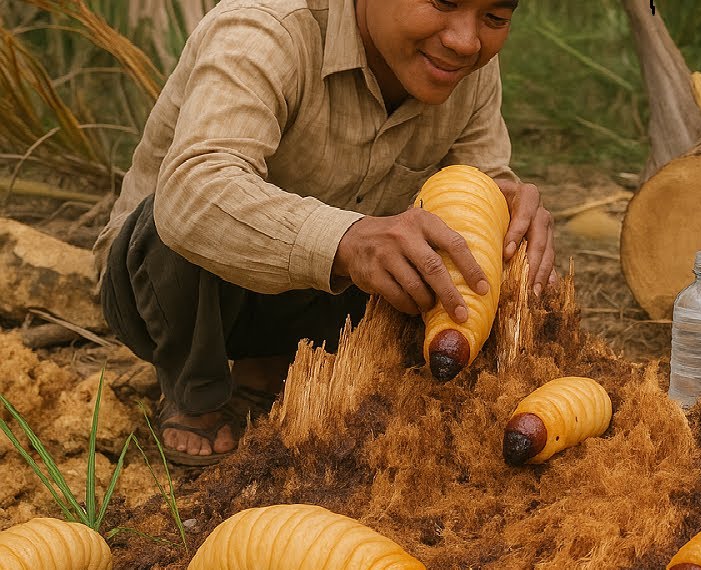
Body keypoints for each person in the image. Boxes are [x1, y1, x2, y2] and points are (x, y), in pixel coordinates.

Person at [95, 0, 555, 466]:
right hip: (165, 286)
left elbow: (481, 183)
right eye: (441, 2)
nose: (466, 41)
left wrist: (504, 212)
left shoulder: (464, 64)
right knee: (187, 204)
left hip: (321, 295)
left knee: (441, 250)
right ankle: (195, 389)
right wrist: (352, 240)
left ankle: (274, 366)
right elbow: (193, 194)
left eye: (495, 18)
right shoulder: (267, 27)